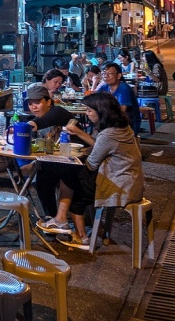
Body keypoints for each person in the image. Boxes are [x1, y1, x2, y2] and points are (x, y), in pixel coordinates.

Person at [38, 92, 144, 250]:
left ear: (101, 111)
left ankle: (67, 225)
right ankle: (72, 230)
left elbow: (93, 164)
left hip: (116, 184)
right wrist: (80, 136)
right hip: (129, 181)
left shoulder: (109, 134)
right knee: (72, 180)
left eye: (89, 111)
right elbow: (99, 146)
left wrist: (77, 157)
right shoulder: (122, 128)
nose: (86, 114)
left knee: (67, 173)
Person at [23, 83, 75, 219]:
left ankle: (52, 217)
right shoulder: (40, 117)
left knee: (42, 175)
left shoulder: (58, 112)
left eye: (37, 103)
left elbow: (40, 123)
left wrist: (24, 128)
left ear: (48, 101)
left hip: (76, 162)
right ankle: (50, 216)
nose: (33, 107)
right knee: (41, 174)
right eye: (30, 103)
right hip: (57, 160)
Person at [96, 62, 142, 135]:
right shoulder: (104, 87)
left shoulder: (123, 88)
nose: (106, 76)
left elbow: (122, 110)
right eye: (104, 74)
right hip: (112, 121)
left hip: (128, 123)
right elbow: (93, 100)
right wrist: (95, 83)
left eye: (110, 74)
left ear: (118, 75)